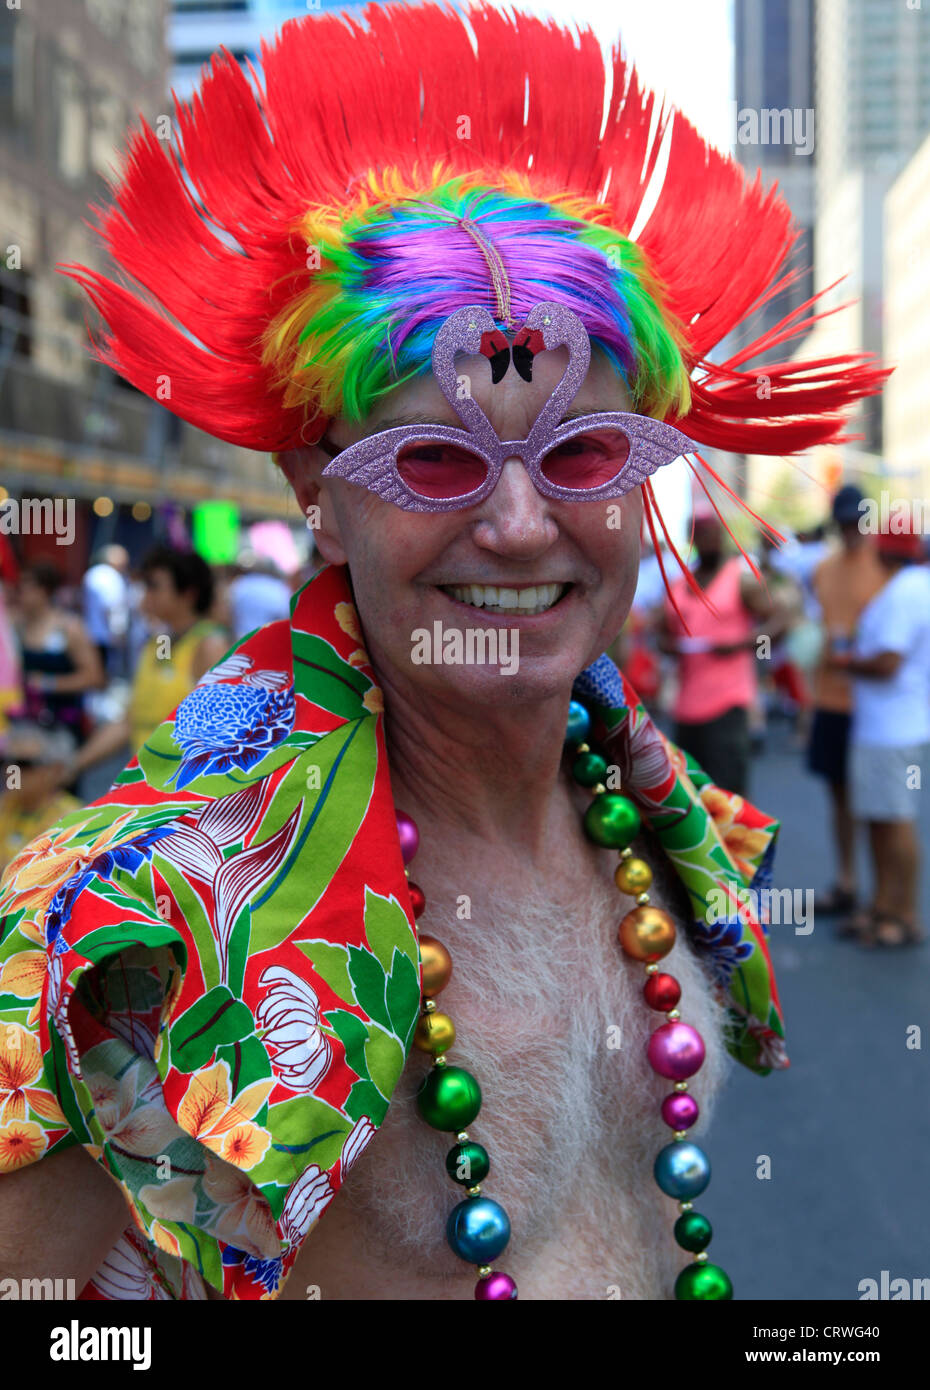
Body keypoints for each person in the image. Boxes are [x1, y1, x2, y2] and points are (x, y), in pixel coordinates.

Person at [0, 4, 884, 1302]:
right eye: (432, 459)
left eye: (581, 455)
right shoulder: (139, 931)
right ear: (317, 483)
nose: (517, 525)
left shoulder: (658, 823)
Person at [830, 522, 930, 947]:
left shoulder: (904, 593)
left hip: (893, 728)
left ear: (882, 550)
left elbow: (888, 662)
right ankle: (882, 906)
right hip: (889, 725)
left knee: (895, 821)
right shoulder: (911, 586)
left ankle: (901, 914)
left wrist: (845, 662)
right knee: (880, 820)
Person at [66, 546, 229, 782]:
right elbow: (130, 720)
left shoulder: (210, 645)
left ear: (189, 593)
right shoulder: (159, 643)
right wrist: (72, 765)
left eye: (154, 586)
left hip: (184, 792)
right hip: (149, 787)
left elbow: (221, 737)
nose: (145, 595)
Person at [806, 485, 886, 921]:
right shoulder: (823, 569)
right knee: (839, 794)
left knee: (876, 798)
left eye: (857, 520)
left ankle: (881, 895)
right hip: (832, 697)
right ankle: (847, 881)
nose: (851, 529)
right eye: (843, 522)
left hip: (874, 701)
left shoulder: (887, 565)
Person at [657, 513, 774, 796]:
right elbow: (661, 633)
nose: (708, 541)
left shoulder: (741, 579)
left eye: (713, 534)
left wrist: (744, 644)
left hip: (728, 705)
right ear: (691, 539)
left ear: (722, 537)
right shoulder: (678, 583)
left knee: (728, 795)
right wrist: (668, 646)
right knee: (693, 796)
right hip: (685, 705)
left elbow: (778, 623)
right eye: (701, 534)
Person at [13, 562, 104, 757]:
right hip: (25, 726)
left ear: (43, 590)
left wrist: (49, 683)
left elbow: (95, 677)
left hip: (62, 724)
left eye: (26, 587)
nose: (20, 593)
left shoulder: (69, 627)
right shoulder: (17, 626)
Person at [81, 544, 130, 680]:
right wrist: (119, 634)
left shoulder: (92, 573)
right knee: (108, 677)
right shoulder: (111, 576)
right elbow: (112, 608)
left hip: (90, 633)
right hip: (107, 637)